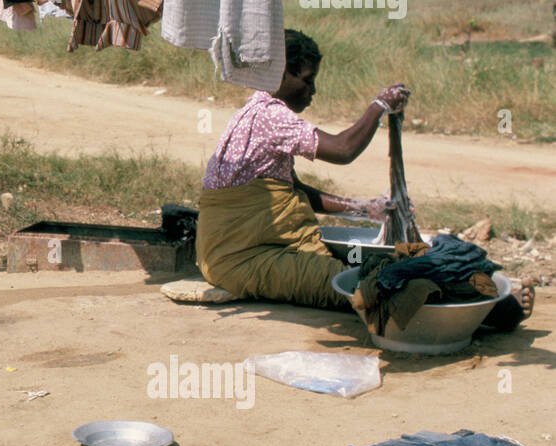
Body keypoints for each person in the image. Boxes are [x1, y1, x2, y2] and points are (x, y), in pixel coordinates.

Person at [197, 29, 534, 325]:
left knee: (373, 259)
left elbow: (293, 191)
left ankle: (471, 295)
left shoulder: (255, 110)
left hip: (247, 247)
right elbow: (343, 150)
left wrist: (363, 209)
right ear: (282, 74)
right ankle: (492, 314)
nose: (312, 91)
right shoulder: (270, 115)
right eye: (307, 80)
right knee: (362, 284)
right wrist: (378, 106)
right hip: (244, 257)